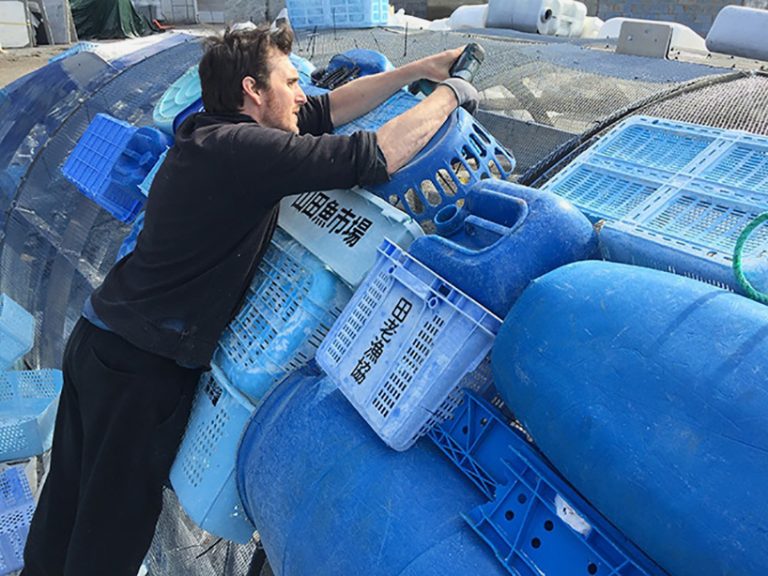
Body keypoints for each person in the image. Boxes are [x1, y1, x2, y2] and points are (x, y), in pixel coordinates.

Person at [21, 24, 479, 576]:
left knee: (66, 501)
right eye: (290, 82)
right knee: (110, 532)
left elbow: (328, 109)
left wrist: (417, 70)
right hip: (140, 369)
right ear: (252, 90)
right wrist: (451, 94)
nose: (302, 94)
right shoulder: (245, 150)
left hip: (102, 341)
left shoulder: (212, 134)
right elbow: (376, 155)